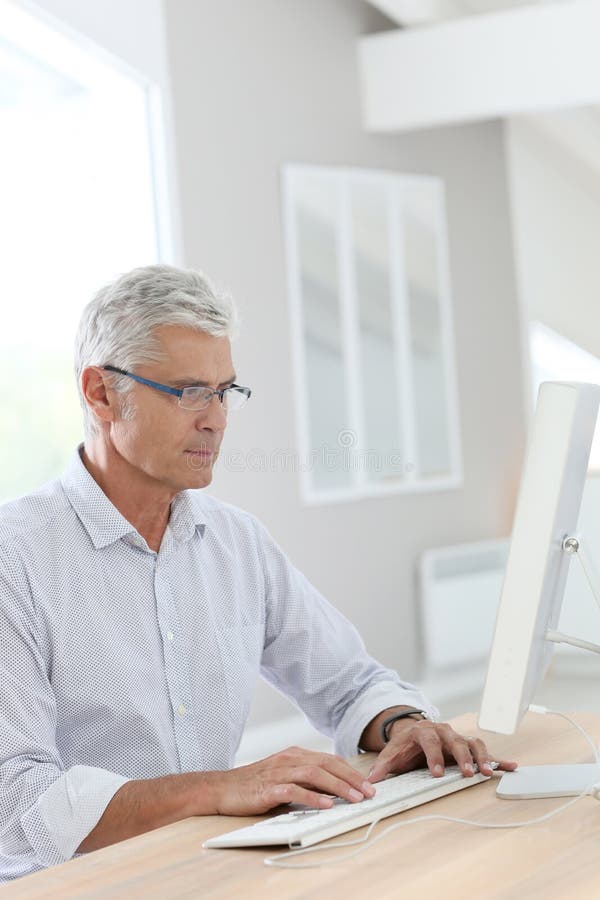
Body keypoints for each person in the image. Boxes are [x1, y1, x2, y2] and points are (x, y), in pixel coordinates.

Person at [0, 265, 515, 881]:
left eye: (225, 391)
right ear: (101, 393)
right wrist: (219, 788)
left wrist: (406, 727)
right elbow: (14, 799)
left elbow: (348, 683)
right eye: (188, 391)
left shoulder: (236, 542)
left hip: (213, 871)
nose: (216, 419)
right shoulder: (17, 560)